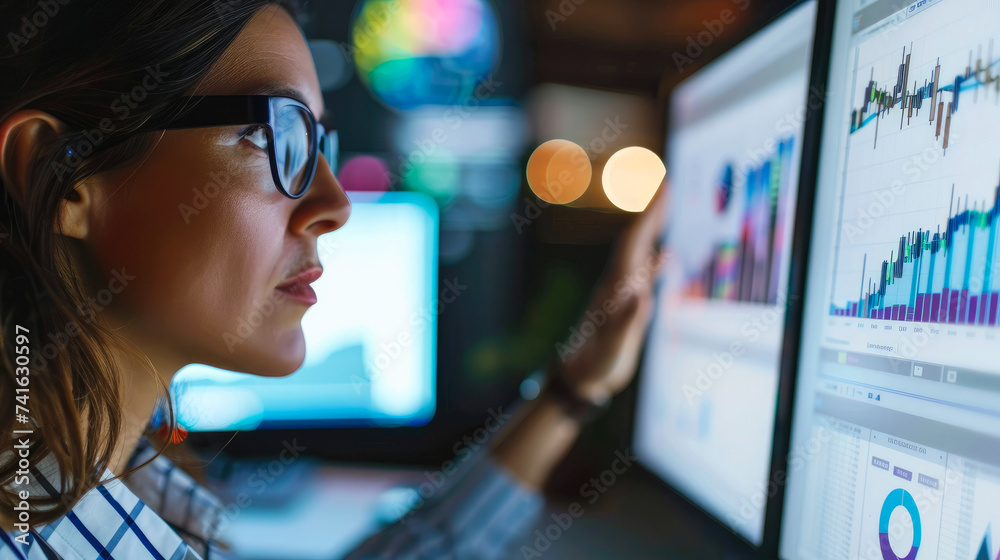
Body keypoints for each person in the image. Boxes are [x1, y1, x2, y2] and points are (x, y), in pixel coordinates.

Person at [0, 1, 667, 558]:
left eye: (322, 145)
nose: (337, 205)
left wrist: (573, 387)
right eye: (276, 138)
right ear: (57, 172)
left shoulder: (119, 490)